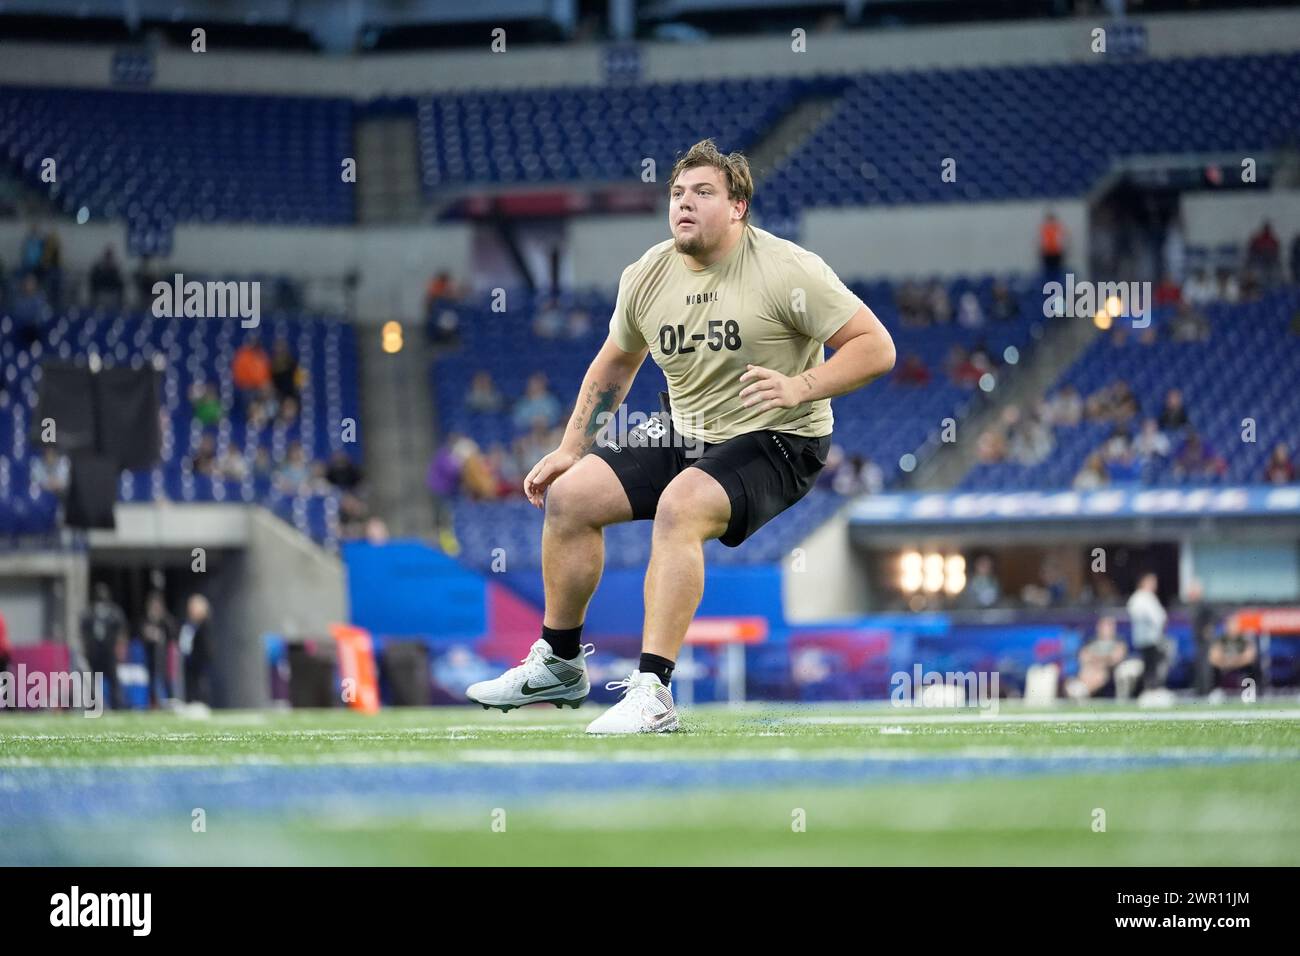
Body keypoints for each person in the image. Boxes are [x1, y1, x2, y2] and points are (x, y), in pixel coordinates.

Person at [465, 139, 896, 733]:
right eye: (676, 193)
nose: (683, 204)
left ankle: (653, 693)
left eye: (702, 192)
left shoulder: (788, 269)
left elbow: (876, 347)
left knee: (681, 506)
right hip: (686, 429)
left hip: (779, 434)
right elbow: (614, 366)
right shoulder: (647, 274)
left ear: (738, 206)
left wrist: (803, 386)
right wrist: (570, 449)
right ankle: (560, 661)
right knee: (570, 498)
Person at [80, 583, 127, 710]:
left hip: (109, 652)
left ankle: (117, 706)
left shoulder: (114, 612)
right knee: (91, 681)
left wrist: (120, 649)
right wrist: (86, 648)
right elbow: (84, 632)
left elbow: (121, 631)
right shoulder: (89, 613)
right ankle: (92, 707)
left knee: (113, 681)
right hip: (94, 652)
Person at [1126, 572, 1169, 693]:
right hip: (1147, 638)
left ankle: (1152, 688)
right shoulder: (1140, 597)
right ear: (1144, 582)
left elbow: (1160, 617)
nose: (1155, 585)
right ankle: (1150, 689)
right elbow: (1156, 617)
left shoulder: (1149, 597)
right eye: (1152, 582)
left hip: (1153, 637)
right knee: (1150, 666)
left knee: (1153, 665)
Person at [1067, 616, 1127, 699]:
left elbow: (1116, 658)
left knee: (1099, 673)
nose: (1106, 629)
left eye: (1109, 626)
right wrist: (1102, 658)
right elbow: (1083, 657)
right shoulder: (1091, 640)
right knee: (1086, 671)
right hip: (1090, 668)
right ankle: (1080, 690)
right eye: (1104, 626)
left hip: (1106, 671)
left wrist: (1096, 659)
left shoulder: (1118, 641)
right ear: (1099, 627)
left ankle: (1083, 692)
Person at [137, 591, 177, 706]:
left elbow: (173, 634)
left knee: (166, 681)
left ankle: (170, 702)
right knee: (151, 681)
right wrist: (148, 633)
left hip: (164, 656)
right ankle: (153, 703)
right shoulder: (146, 620)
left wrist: (160, 633)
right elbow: (139, 633)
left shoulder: (166, 620)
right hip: (150, 656)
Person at [1209, 616, 1262, 695]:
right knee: (1213, 667)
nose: (1233, 628)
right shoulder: (1221, 638)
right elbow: (1213, 657)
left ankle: (1249, 691)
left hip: (1240, 664)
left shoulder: (1244, 638)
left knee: (1252, 666)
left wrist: (1235, 662)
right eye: (1231, 625)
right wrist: (1225, 662)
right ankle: (1216, 691)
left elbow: (1249, 657)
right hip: (1224, 664)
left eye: (1235, 625)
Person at [178, 594, 212, 705]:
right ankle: (191, 702)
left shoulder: (204, 625)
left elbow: (205, 646)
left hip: (200, 660)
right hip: (189, 659)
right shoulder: (188, 624)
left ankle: (201, 703)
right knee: (190, 683)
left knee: (200, 683)